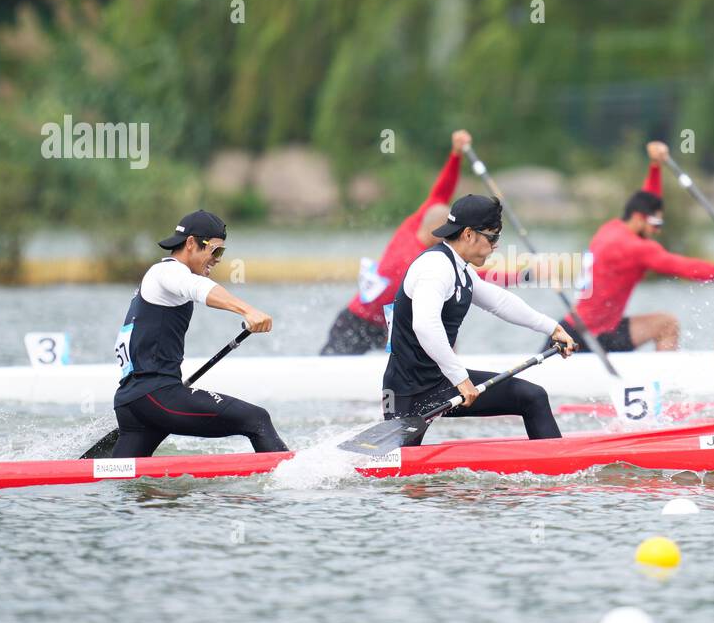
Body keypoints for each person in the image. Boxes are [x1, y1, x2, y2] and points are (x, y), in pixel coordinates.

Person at [383, 195, 577, 445]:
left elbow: (500, 302)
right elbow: (424, 325)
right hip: (407, 390)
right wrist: (461, 378)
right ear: (467, 234)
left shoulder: (460, 269)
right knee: (404, 480)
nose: (496, 245)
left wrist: (553, 327)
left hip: (441, 381)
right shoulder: (434, 269)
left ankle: (556, 471)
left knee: (532, 396)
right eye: (492, 236)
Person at [111, 210, 288, 456]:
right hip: (156, 396)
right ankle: (294, 481)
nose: (218, 259)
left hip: (134, 402)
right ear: (192, 243)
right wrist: (247, 310)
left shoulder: (159, 283)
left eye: (222, 252)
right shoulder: (166, 272)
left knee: (129, 485)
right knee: (257, 419)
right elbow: (197, 288)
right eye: (215, 251)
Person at [559, 141, 714, 352]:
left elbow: (648, 200)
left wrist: (655, 166)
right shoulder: (637, 248)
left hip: (576, 327)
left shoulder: (611, 228)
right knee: (667, 325)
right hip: (590, 339)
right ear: (638, 218)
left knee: (665, 324)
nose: (658, 230)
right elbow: (688, 269)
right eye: (656, 224)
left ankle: (657, 378)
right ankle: (661, 382)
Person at [320, 131, 467, 354]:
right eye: (448, 233)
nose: (451, 238)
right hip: (357, 321)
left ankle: (454, 378)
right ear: (436, 229)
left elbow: (441, 193)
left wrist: (456, 155)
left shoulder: (416, 224)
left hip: (390, 326)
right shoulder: (424, 258)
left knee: (441, 330)